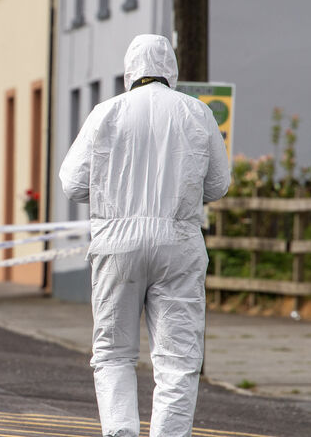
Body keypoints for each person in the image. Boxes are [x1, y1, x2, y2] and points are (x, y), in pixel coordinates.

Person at [59, 34, 230, 437]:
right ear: (171, 69)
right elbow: (218, 184)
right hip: (178, 240)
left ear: (129, 71)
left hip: (116, 241)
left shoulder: (106, 113)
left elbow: (72, 184)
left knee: (114, 353)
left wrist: (108, 195)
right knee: (177, 359)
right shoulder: (197, 113)